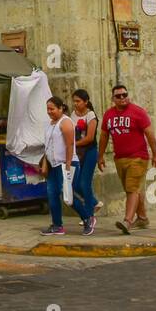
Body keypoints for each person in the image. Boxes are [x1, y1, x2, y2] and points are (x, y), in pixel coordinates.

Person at [99, 83, 156, 234]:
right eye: (118, 96)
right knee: (132, 188)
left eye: (124, 95)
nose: (122, 98)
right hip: (120, 158)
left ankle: (127, 221)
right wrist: (100, 156)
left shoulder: (138, 112)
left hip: (138, 157)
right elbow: (104, 136)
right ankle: (143, 218)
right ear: (113, 98)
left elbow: (150, 134)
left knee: (132, 188)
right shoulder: (108, 114)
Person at [42, 96, 94, 236]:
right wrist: (44, 163)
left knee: (67, 195)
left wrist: (68, 165)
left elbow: (70, 145)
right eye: (48, 109)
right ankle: (57, 225)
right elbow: (47, 146)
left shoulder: (65, 122)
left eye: (52, 109)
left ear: (60, 108)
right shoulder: (50, 124)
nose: (49, 111)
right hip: (53, 164)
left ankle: (87, 218)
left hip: (66, 163)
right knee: (52, 194)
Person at [69, 89, 101, 218]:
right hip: (77, 153)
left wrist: (73, 144)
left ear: (86, 101)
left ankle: (88, 215)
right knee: (75, 183)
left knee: (84, 183)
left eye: (78, 101)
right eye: (74, 101)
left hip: (89, 151)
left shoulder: (91, 115)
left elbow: (89, 138)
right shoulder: (73, 114)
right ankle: (94, 203)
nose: (75, 104)